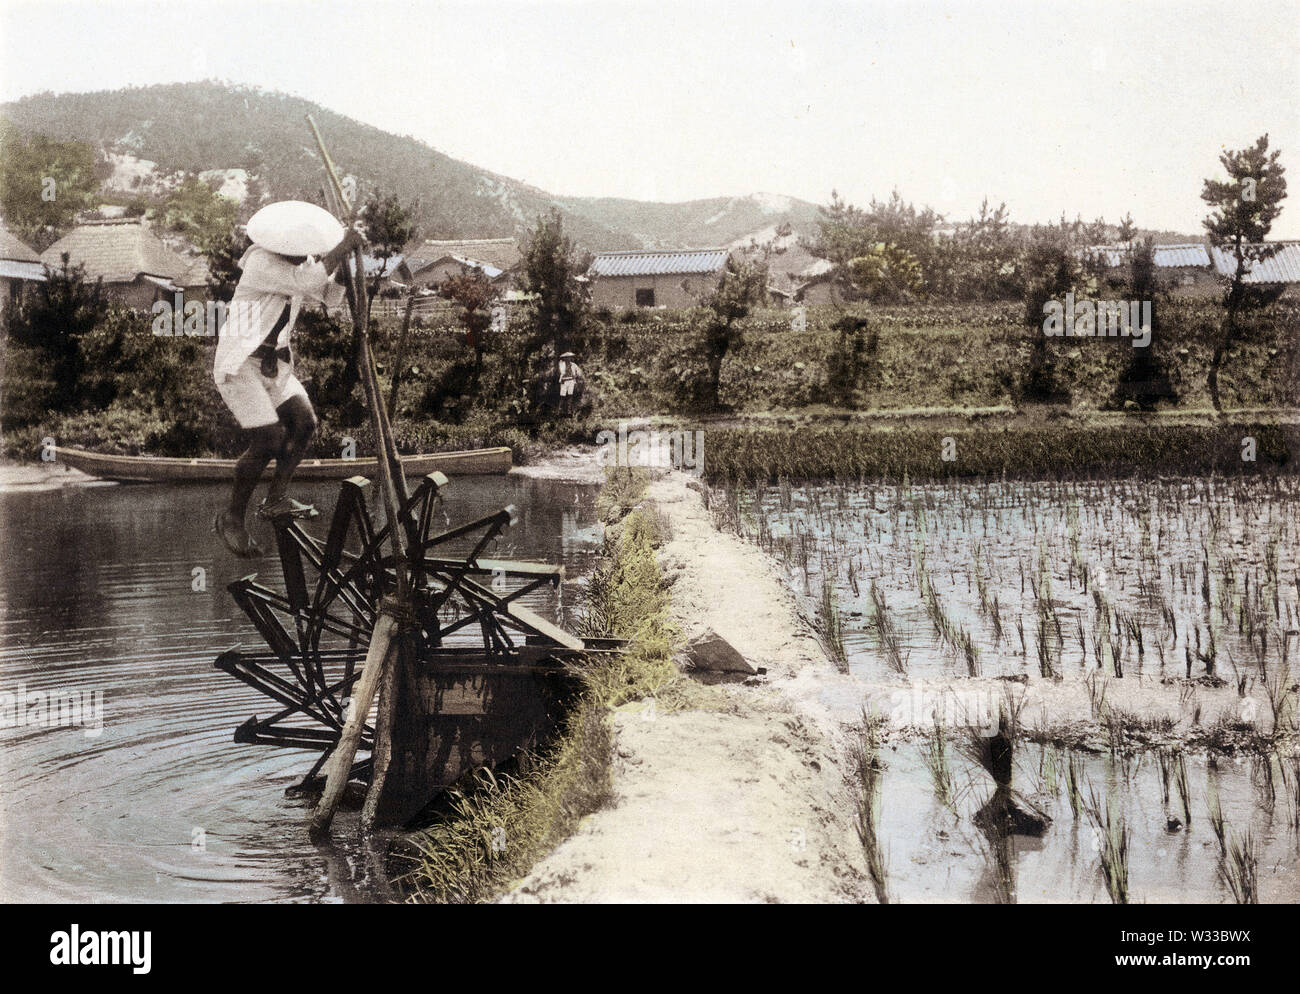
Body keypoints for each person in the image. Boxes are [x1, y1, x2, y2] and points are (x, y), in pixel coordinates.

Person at [212, 202, 364, 558]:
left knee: (305, 422)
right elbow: (305, 282)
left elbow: (329, 297)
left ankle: (276, 498)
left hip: (274, 365)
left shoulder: (302, 266)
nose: (304, 257)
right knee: (268, 439)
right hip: (241, 365)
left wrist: (343, 265)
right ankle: (232, 517)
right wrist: (343, 246)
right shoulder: (261, 262)